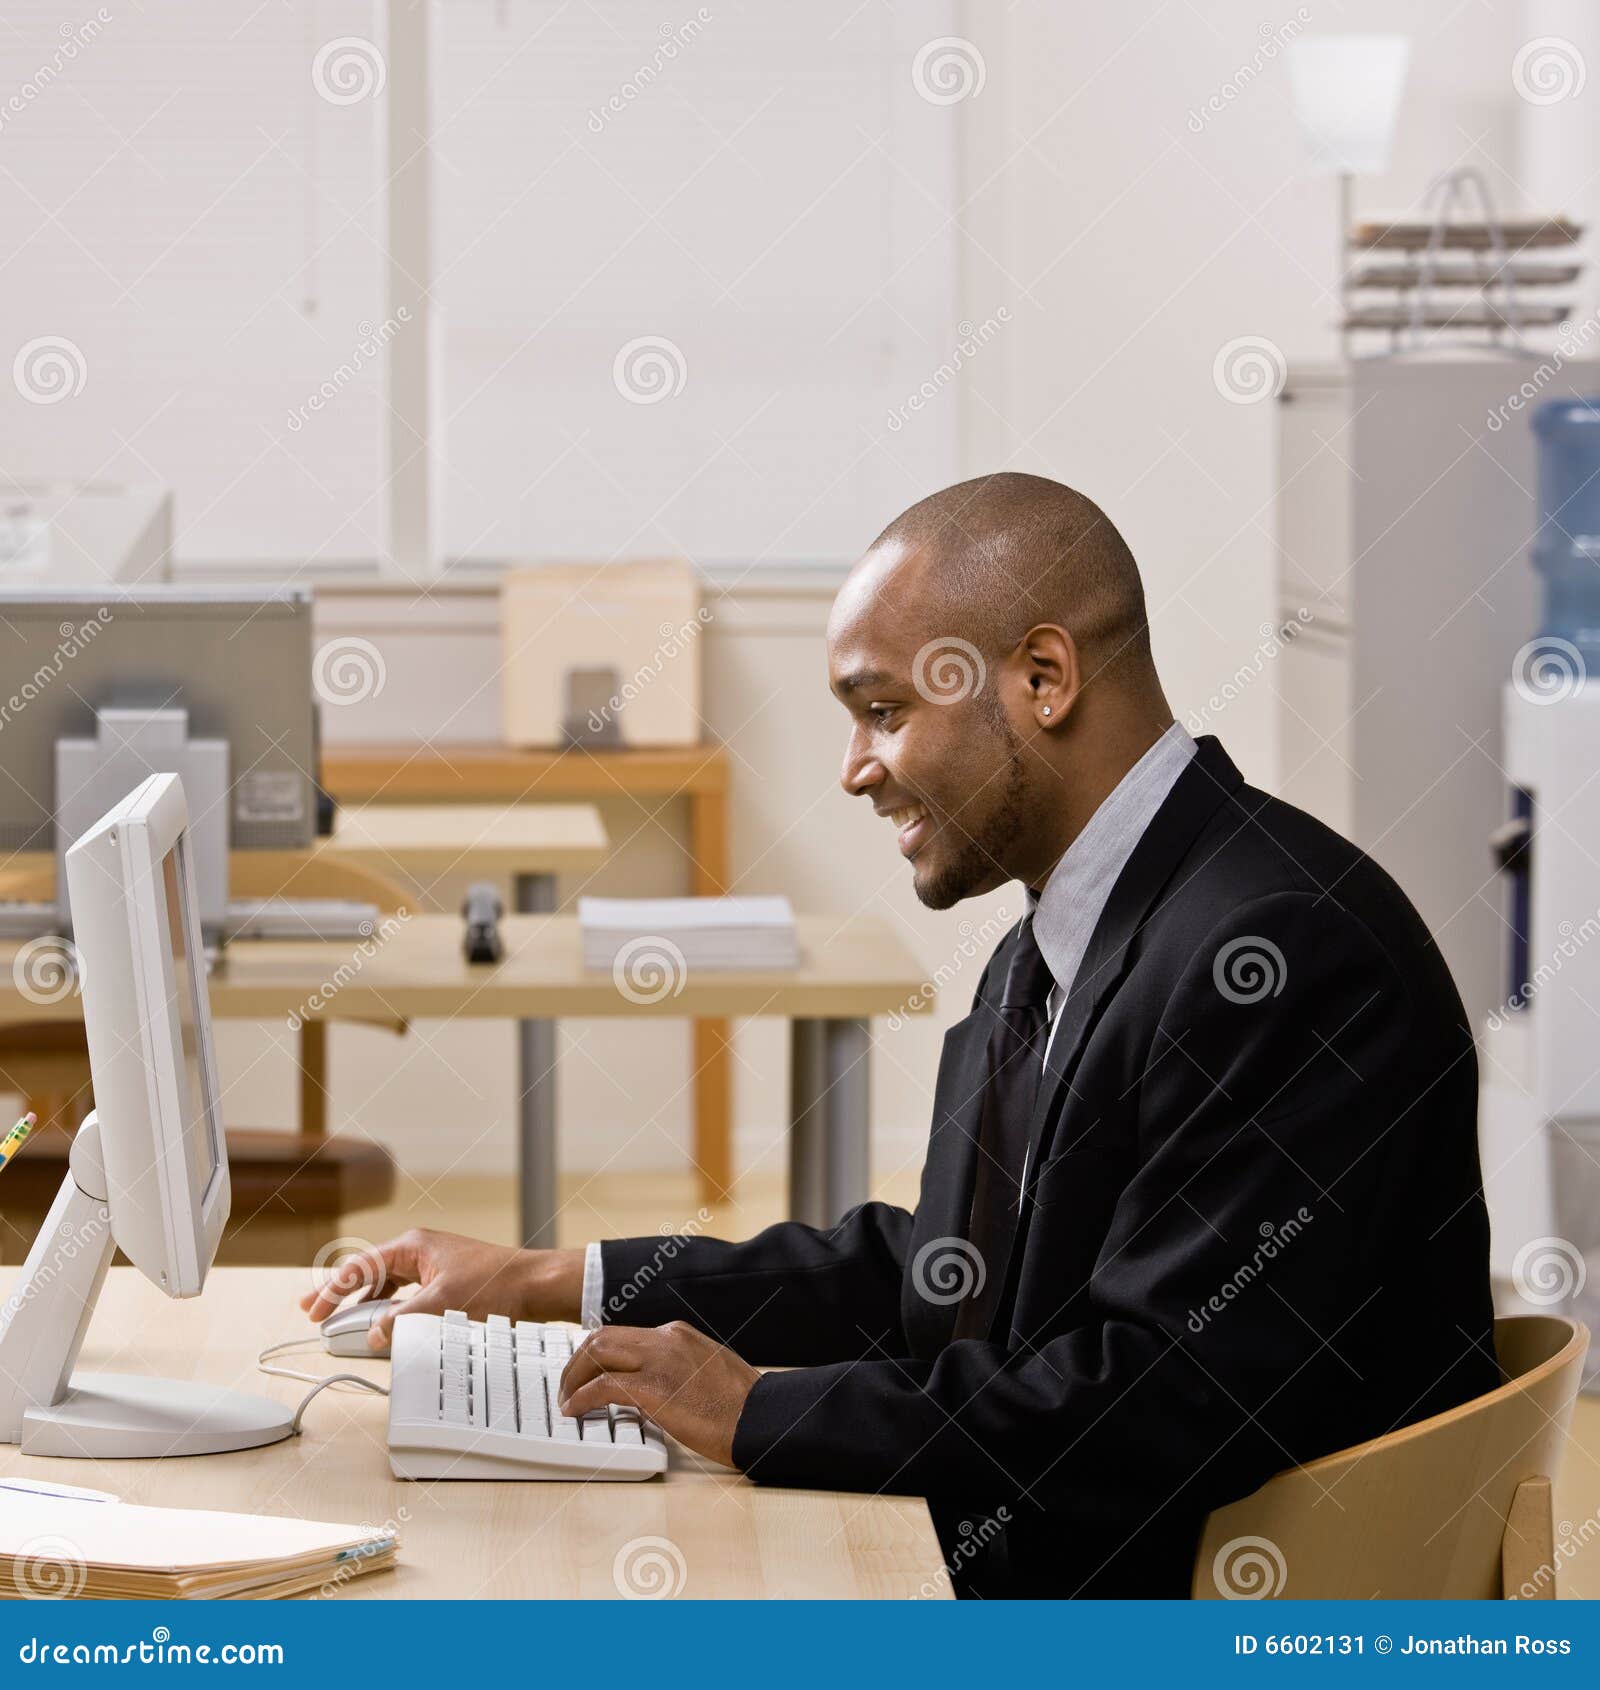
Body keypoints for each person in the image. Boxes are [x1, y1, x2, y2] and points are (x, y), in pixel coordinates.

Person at [303, 472, 1497, 1598]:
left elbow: (1164, 1401)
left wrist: (758, 1410)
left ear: (1042, 677)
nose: (852, 771)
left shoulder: (1282, 951)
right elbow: (938, 1273)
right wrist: (549, 1280)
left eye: (883, 711)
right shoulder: (1059, 940)